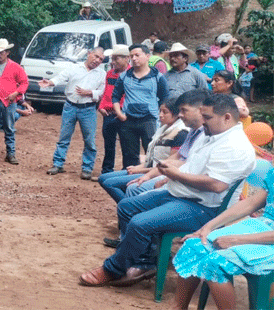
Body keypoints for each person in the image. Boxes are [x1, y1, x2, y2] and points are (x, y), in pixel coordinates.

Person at [79, 93, 256, 288]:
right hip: (183, 195)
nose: (203, 121)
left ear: (227, 117)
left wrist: (175, 175)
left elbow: (216, 185)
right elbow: (189, 163)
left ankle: (113, 269)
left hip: (204, 208)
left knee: (140, 223)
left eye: (207, 117)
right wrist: (165, 175)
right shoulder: (212, 134)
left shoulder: (234, 145)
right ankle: (144, 261)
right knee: (127, 206)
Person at [170, 166, 274, 310]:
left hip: (268, 240)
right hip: (260, 228)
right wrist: (208, 227)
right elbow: (251, 203)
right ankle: (178, 307)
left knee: (216, 264)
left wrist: (236, 240)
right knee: (194, 246)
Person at [97, 95, 191, 248]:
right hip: (149, 169)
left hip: (157, 173)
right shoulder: (163, 129)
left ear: (175, 114)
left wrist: (141, 170)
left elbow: (169, 164)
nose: (160, 115)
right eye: (160, 111)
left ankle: (129, 223)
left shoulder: (180, 133)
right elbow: (154, 158)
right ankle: (130, 213)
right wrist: (140, 167)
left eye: (165, 112)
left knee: (114, 184)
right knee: (104, 179)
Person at [42, 47, 106, 180]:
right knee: (64, 137)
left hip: (88, 108)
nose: (97, 60)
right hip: (70, 106)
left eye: (101, 59)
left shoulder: (102, 74)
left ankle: (87, 168)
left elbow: (102, 92)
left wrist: (90, 93)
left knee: (89, 140)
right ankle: (58, 164)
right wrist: (50, 82)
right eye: (96, 56)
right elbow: (61, 77)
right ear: (89, 54)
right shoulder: (74, 68)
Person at [111, 44, 168, 168]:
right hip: (128, 119)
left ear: (147, 56)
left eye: (137, 55)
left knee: (152, 152)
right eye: (131, 56)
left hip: (150, 119)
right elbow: (115, 96)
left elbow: (165, 98)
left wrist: (160, 115)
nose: (134, 58)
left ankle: (152, 177)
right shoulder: (124, 76)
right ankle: (129, 178)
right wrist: (119, 113)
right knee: (129, 155)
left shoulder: (157, 77)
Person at [0, 38, 28, 165]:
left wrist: (16, 93)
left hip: (9, 102)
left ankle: (11, 154)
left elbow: (24, 82)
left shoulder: (15, 67)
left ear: (7, 52)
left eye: (2, 52)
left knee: (9, 128)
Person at [99, 45, 130, 175]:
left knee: (127, 144)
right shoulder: (110, 74)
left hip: (123, 113)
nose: (113, 62)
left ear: (126, 58)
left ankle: (126, 171)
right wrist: (101, 106)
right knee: (109, 144)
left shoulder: (132, 74)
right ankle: (107, 170)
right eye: (113, 58)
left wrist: (123, 111)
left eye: (117, 58)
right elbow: (106, 92)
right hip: (109, 113)